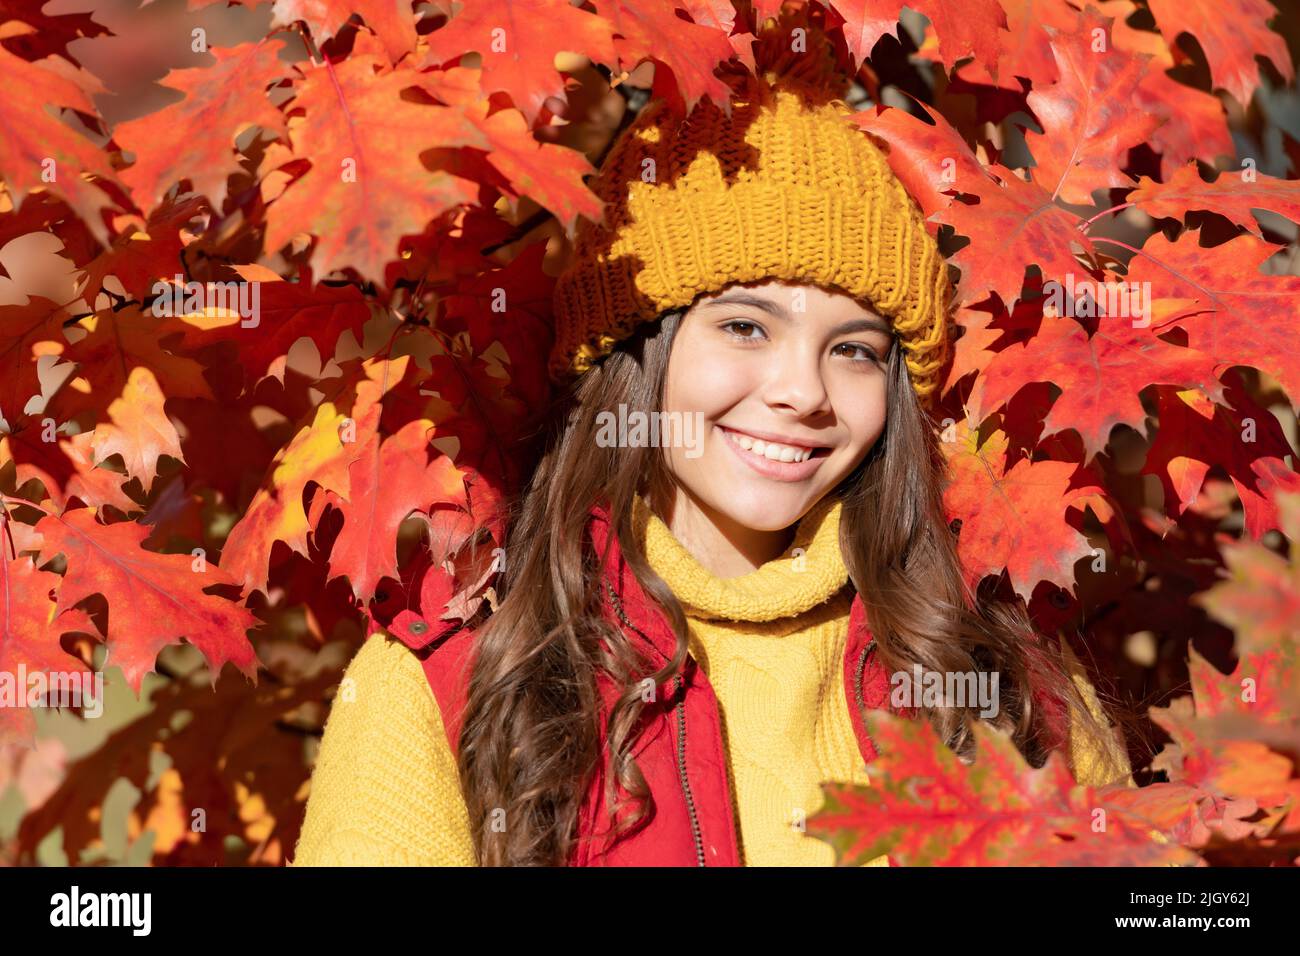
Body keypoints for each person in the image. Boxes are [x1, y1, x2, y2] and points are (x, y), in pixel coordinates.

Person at [290, 65, 1132, 868]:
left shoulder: (1001, 674)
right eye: (744, 328)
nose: (803, 392)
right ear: (632, 351)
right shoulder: (460, 674)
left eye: (854, 351)